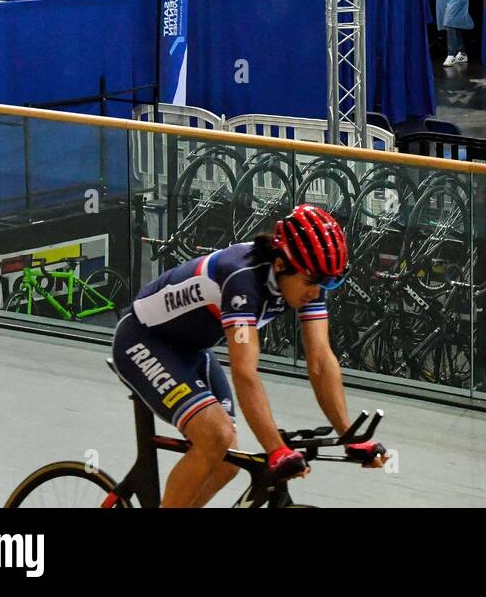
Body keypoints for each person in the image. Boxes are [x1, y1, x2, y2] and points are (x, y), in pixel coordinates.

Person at [110, 205, 387, 508]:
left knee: (227, 461)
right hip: (143, 339)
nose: (315, 292)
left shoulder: (307, 278)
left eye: (326, 284)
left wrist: (349, 436)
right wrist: (276, 449)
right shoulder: (241, 279)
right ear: (281, 265)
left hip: (190, 348)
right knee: (215, 436)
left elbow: (320, 360)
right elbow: (244, 371)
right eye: (311, 282)